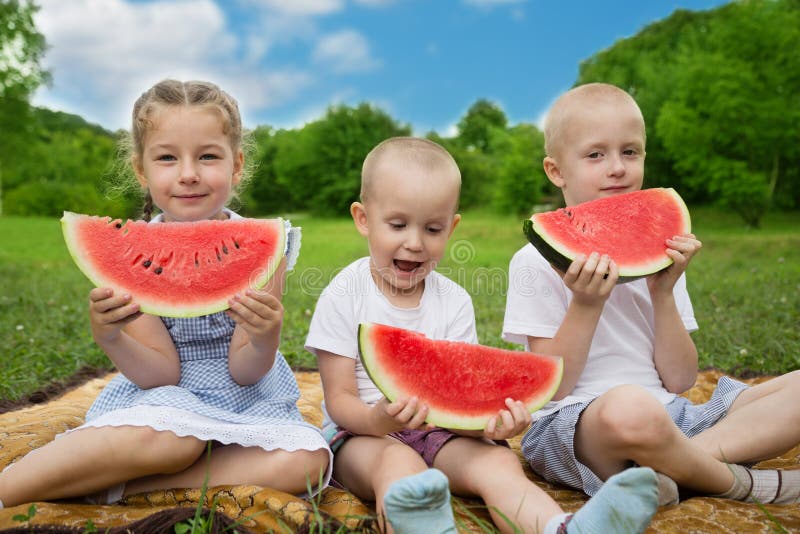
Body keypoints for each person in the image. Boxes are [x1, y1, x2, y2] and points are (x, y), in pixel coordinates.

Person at [0, 79, 330, 509]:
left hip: (247, 401)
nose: (188, 173)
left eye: (208, 156)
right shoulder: (130, 256)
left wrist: (265, 336)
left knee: (307, 461)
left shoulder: (267, 246)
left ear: (236, 165)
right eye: (167, 158)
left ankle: (114, 488)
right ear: (142, 170)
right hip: (164, 402)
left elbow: (247, 370)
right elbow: (162, 374)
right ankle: (10, 487)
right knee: (176, 443)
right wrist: (111, 337)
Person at [305, 136, 660, 534]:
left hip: (441, 434)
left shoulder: (454, 301)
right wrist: (377, 419)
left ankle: (561, 528)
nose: (415, 242)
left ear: (452, 227)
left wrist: (490, 426)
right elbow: (338, 400)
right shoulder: (344, 292)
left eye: (433, 228)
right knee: (397, 464)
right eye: (398, 224)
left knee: (499, 462)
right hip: (360, 437)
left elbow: (459, 399)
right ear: (363, 218)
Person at [503, 82, 800, 507]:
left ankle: (671, 473)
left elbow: (680, 381)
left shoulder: (661, 252)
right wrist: (586, 304)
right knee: (629, 407)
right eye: (595, 154)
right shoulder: (533, 261)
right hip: (576, 427)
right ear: (556, 170)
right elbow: (554, 388)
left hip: (672, 417)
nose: (617, 167)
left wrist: (664, 294)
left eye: (630, 152)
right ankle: (730, 479)